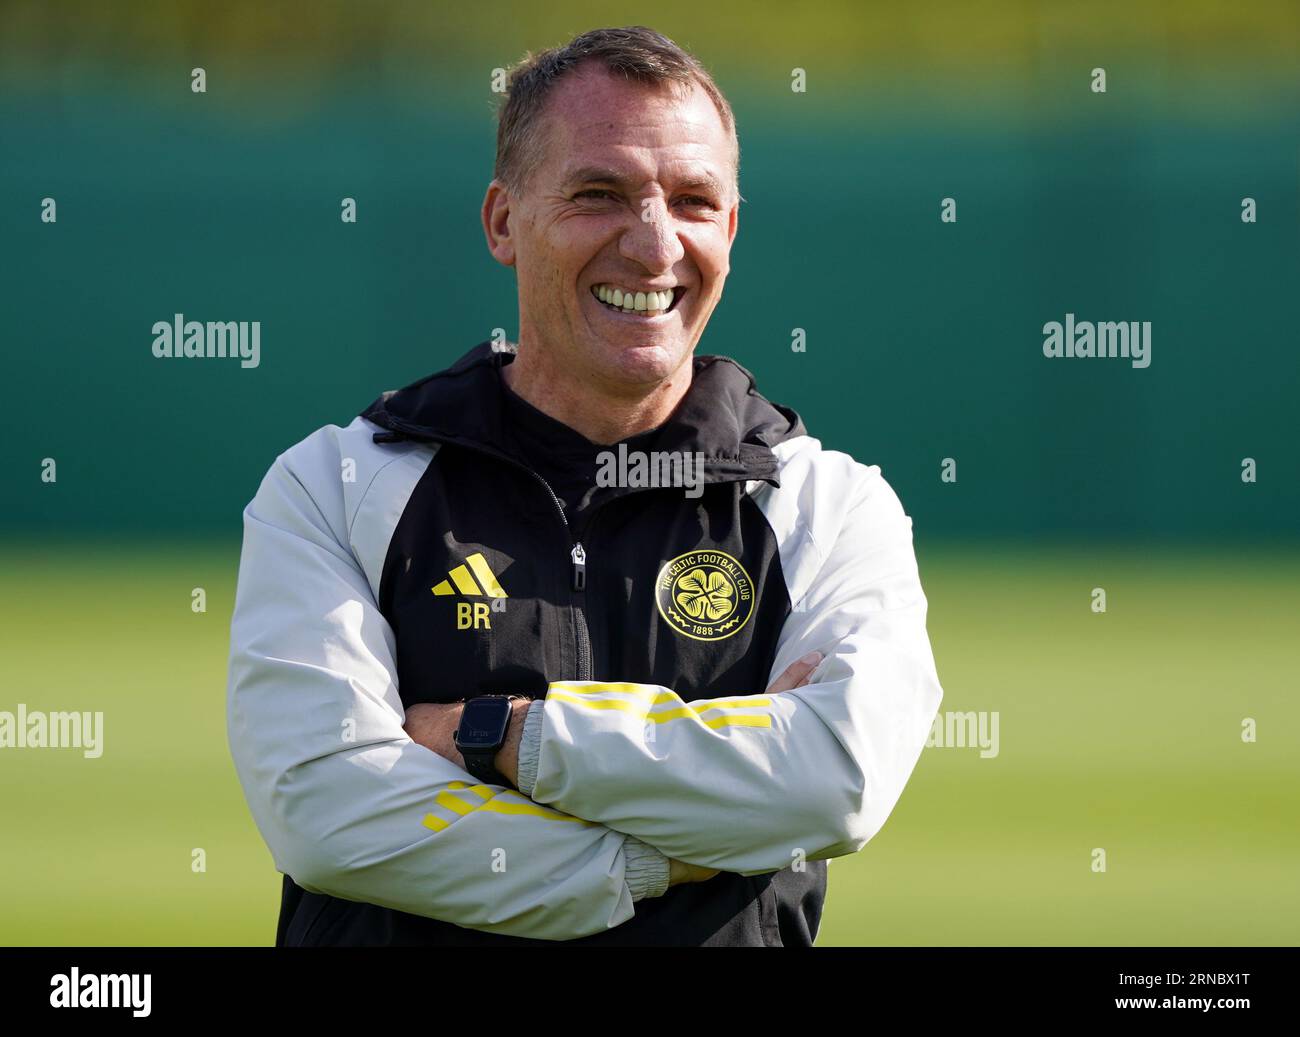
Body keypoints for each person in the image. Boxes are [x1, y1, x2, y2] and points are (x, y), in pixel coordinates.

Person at [225, 24, 944, 947]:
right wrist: (664, 852)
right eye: (599, 194)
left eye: (691, 201)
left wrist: (502, 737)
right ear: (502, 222)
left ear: (730, 229)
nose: (653, 247)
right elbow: (329, 814)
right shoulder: (335, 485)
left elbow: (833, 781)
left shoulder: (830, 505)